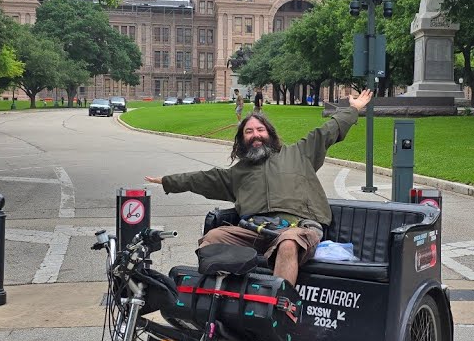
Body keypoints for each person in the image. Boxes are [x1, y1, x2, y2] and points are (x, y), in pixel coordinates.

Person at [146, 89, 373, 285]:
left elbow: (328, 131)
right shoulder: (238, 173)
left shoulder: (299, 153)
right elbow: (199, 179)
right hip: (254, 231)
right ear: (242, 140)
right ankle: (219, 303)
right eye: (249, 131)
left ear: (270, 134)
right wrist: (167, 181)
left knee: (288, 242)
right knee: (213, 237)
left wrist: (353, 110)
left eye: (260, 130)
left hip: (298, 228)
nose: (256, 135)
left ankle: (278, 310)